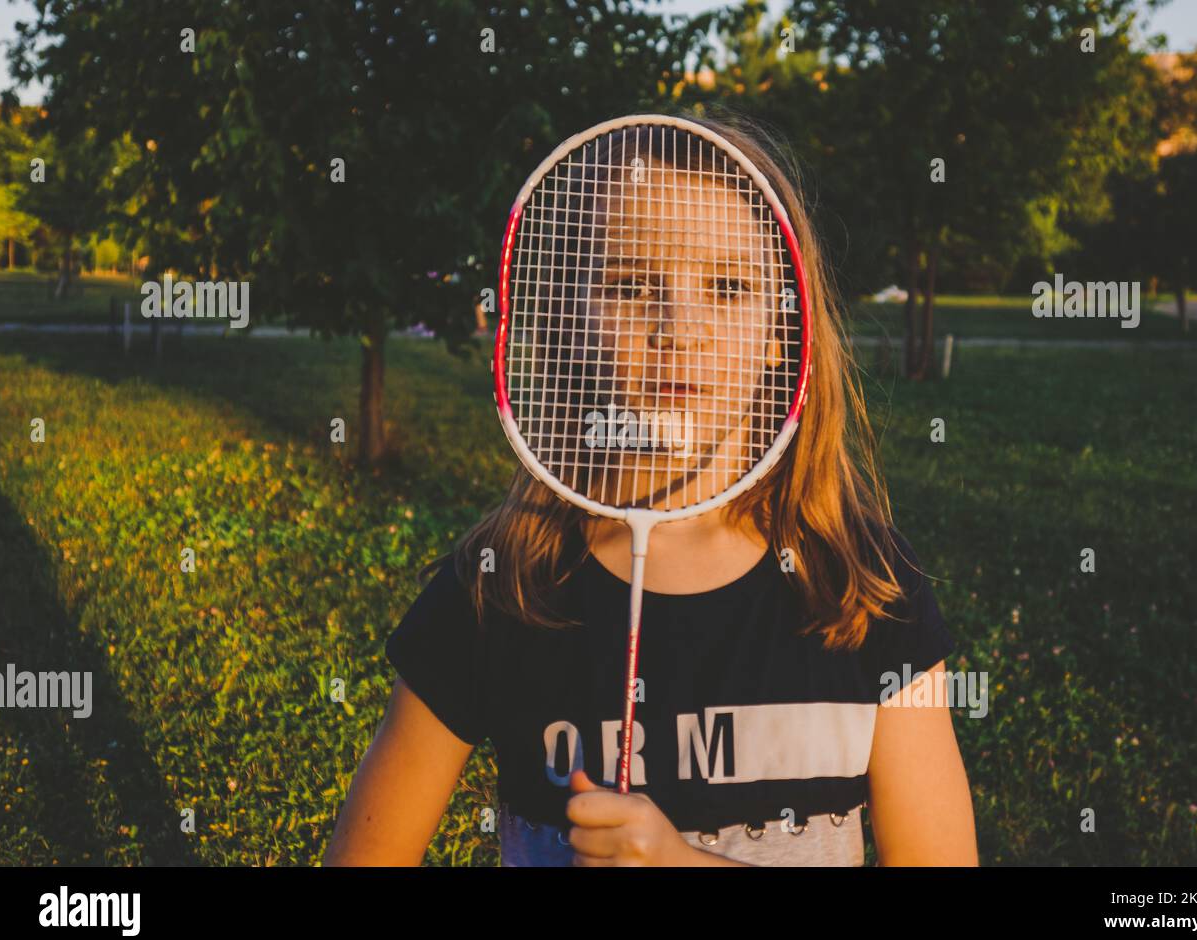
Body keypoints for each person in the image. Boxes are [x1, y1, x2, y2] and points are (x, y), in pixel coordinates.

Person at [323, 111, 977, 867]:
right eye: (632, 285)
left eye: (728, 287)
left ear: (781, 331)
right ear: (572, 324)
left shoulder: (867, 586)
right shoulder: (501, 587)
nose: (679, 325)